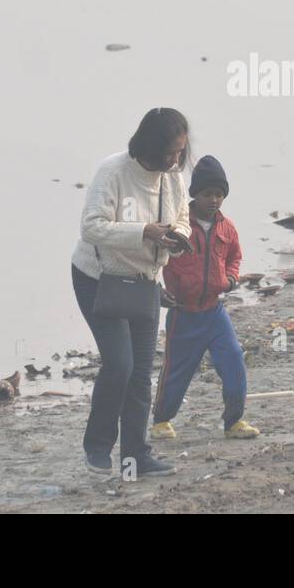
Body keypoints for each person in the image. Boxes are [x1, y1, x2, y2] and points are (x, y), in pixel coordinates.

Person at [70, 107, 192, 479]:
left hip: (144, 281)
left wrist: (179, 237)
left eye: (180, 152)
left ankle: (136, 456)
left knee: (140, 372)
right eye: (170, 152)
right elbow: (92, 227)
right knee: (119, 364)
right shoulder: (114, 170)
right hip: (99, 278)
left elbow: (183, 216)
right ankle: (97, 448)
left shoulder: (172, 177)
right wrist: (143, 232)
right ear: (150, 144)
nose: (175, 160)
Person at [150, 155, 259, 440]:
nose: (213, 200)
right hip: (182, 315)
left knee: (234, 360)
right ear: (194, 195)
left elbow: (235, 256)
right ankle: (161, 420)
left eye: (219, 195)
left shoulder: (227, 228)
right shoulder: (178, 226)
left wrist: (232, 278)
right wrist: (157, 291)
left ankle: (234, 421)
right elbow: (154, 260)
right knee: (176, 371)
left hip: (214, 312)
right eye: (207, 194)